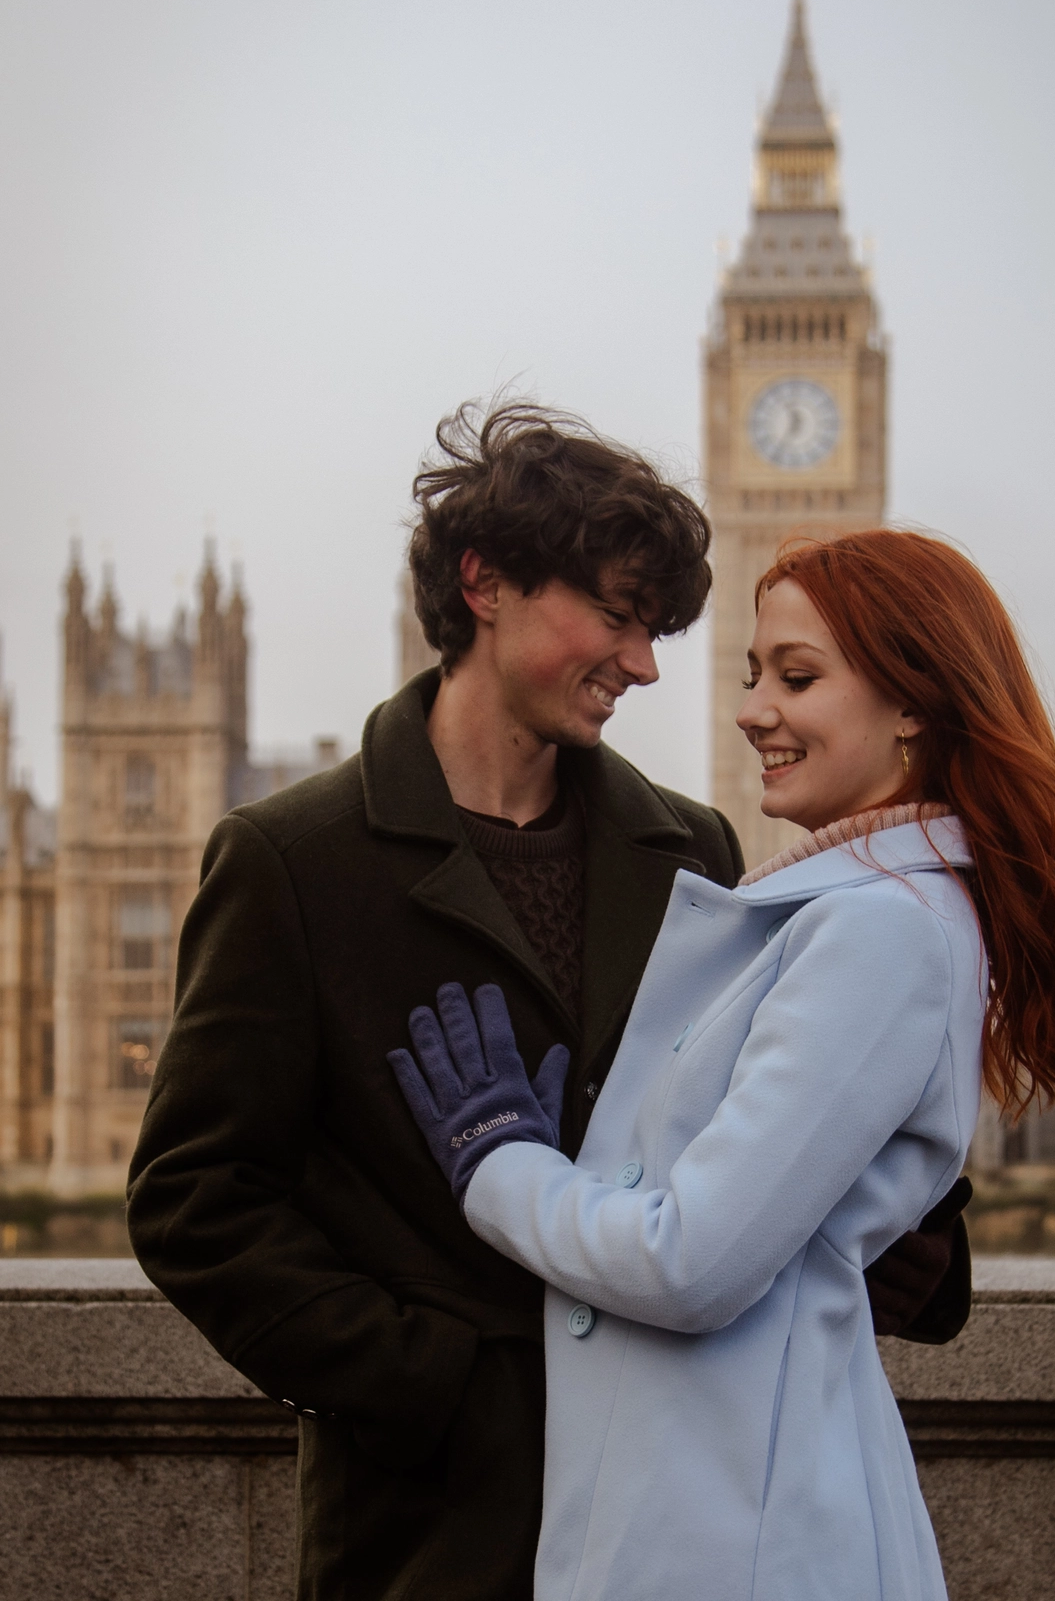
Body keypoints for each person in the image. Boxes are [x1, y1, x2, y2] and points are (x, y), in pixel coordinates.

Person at [126, 406, 969, 1601]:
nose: (644, 661)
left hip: (677, 1509)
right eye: (618, 614)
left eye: (657, 626)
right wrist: (434, 1381)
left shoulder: (691, 844)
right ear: (485, 582)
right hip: (433, 1527)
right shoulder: (291, 858)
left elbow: (779, 1109)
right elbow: (193, 1201)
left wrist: (902, 1211)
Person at [389, 527, 1055, 1601]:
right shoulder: (840, 908)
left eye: (797, 676)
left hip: (748, 1541)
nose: (751, 709)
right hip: (708, 1515)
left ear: (914, 701)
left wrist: (497, 1158)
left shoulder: (880, 930)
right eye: (752, 676)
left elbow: (689, 1256)